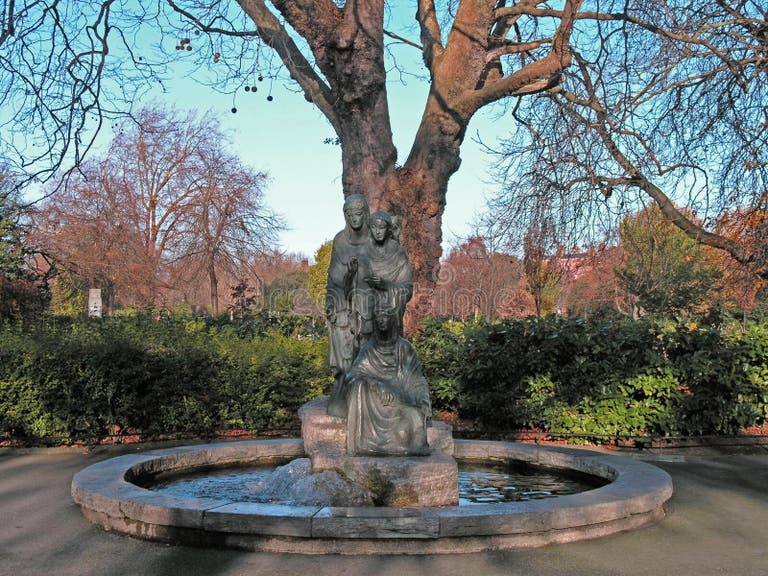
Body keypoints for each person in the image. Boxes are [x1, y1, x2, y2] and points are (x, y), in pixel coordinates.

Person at [344, 305, 431, 456]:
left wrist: (423, 399)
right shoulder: (368, 349)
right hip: (374, 402)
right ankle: (365, 444)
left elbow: (416, 379)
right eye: (378, 317)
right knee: (358, 385)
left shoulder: (405, 348)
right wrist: (375, 384)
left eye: (385, 317)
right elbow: (352, 375)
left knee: (415, 420)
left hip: (399, 400)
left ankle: (401, 448)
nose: (381, 321)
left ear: (393, 321)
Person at [325, 194, 374, 417]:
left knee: (370, 333)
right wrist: (347, 275)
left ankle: (371, 392)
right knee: (341, 327)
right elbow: (333, 277)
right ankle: (344, 387)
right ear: (345, 215)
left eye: (358, 213)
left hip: (370, 299)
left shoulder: (375, 238)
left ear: (365, 214)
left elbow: (384, 270)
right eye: (350, 214)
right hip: (344, 298)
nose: (355, 218)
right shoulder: (340, 241)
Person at [365, 211, 413, 336]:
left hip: (390, 311)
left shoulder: (399, 253)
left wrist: (385, 285)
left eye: (382, 227)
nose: (378, 231)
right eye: (374, 227)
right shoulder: (363, 252)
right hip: (367, 307)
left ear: (388, 229)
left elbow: (407, 289)